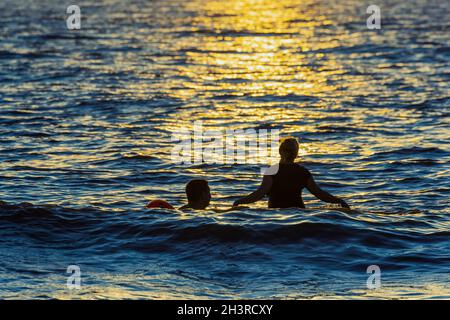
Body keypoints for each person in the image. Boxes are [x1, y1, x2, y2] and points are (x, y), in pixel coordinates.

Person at [233, 137, 350, 209]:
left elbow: (259, 194)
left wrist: (239, 202)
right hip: (299, 214)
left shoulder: (272, 171)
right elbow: (320, 194)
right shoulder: (303, 172)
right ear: (296, 154)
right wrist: (340, 202)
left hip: (275, 214)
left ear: (279, 151)